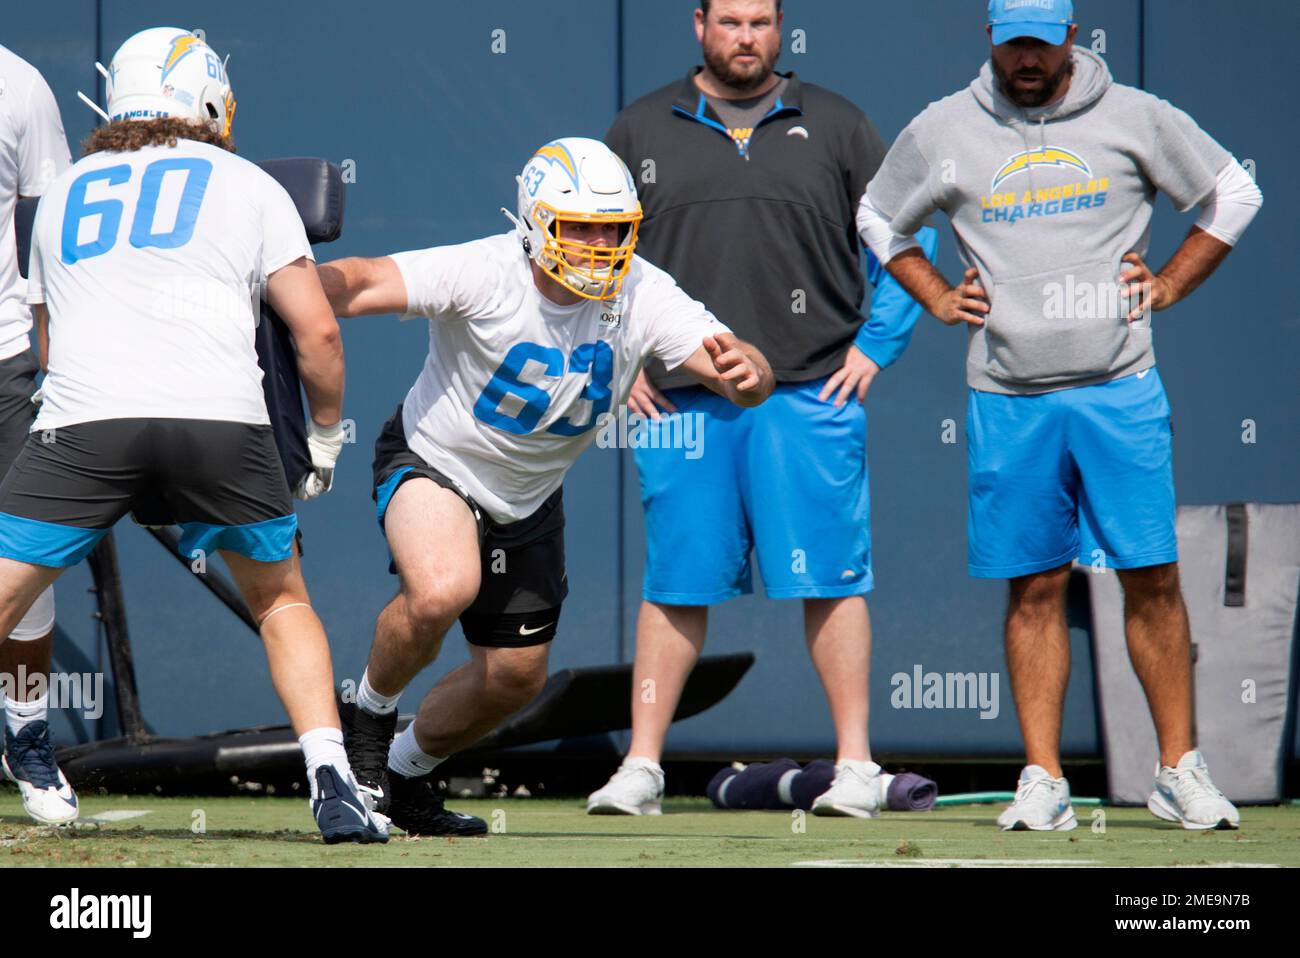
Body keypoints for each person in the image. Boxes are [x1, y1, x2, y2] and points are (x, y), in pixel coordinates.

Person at [857, 0, 1262, 830]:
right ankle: (1042, 779)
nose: (1028, 61)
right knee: (1035, 586)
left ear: (1073, 37)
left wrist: (1174, 281)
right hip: (1009, 398)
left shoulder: (1138, 116)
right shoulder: (943, 128)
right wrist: (933, 292)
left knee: (1152, 577)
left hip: (1121, 388)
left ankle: (1179, 769)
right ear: (992, 44)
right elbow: (874, 213)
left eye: (1043, 44)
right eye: (1014, 47)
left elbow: (1234, 192)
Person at [320, 136, 774, 836]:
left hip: (528, 499)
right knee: (443, 587)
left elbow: (737, 369)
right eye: (581, 227)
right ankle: (369, 726)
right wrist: (277, 287)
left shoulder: (643, 291)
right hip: (435, 459)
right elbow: (361, 279)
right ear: (535, 223)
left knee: (514, 679)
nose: (598, 245)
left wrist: (750, 375)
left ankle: (405, 777)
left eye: (613, 230)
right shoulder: (485, 270)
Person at [2, 27, 387, 842]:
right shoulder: (245, 183)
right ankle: (332, 775)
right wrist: (321, 441)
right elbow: (317, 333)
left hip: (86, 420)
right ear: (202, 96)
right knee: (283, 601)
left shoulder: (66, 192)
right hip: (219, 421)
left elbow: (46, 344)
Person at [588, 0, 936, 818]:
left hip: (810, 391)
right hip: (682, 400)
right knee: (676, 583)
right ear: (699, 23)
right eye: (731, 21)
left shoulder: (842, 125)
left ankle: (855, 766)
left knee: (833, 578)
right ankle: (641, 770)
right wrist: (618, 361)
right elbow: (596, 256)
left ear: (780, 29)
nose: (747, 37)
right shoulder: (637, 129)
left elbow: (906, 237)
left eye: (762, 22)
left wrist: (874, 346)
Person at [0, 42, 75, 824]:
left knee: (25, 562)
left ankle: (25, 733)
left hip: (5, 357)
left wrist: (59, 359)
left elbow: (54, 224)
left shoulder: (20, 86)